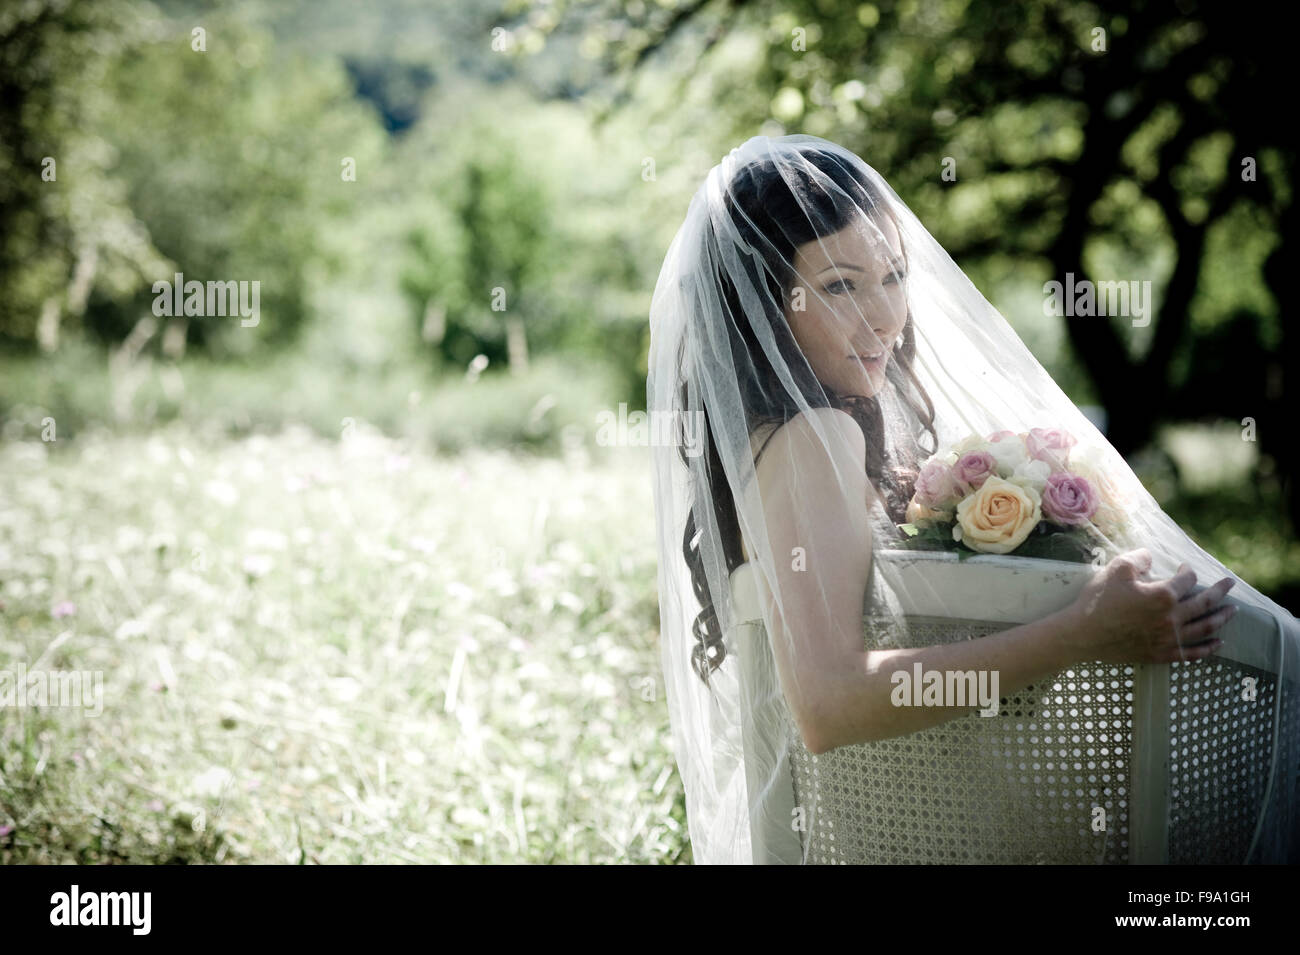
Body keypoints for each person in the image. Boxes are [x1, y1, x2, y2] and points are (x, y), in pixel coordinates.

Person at [646, 134, 1300, 864]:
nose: (882, 317)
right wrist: (1082, 631)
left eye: (893, 276)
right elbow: (827, 703)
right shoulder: (814, 438)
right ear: (765, 305)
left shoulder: (787, 440)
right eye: (838, 285)